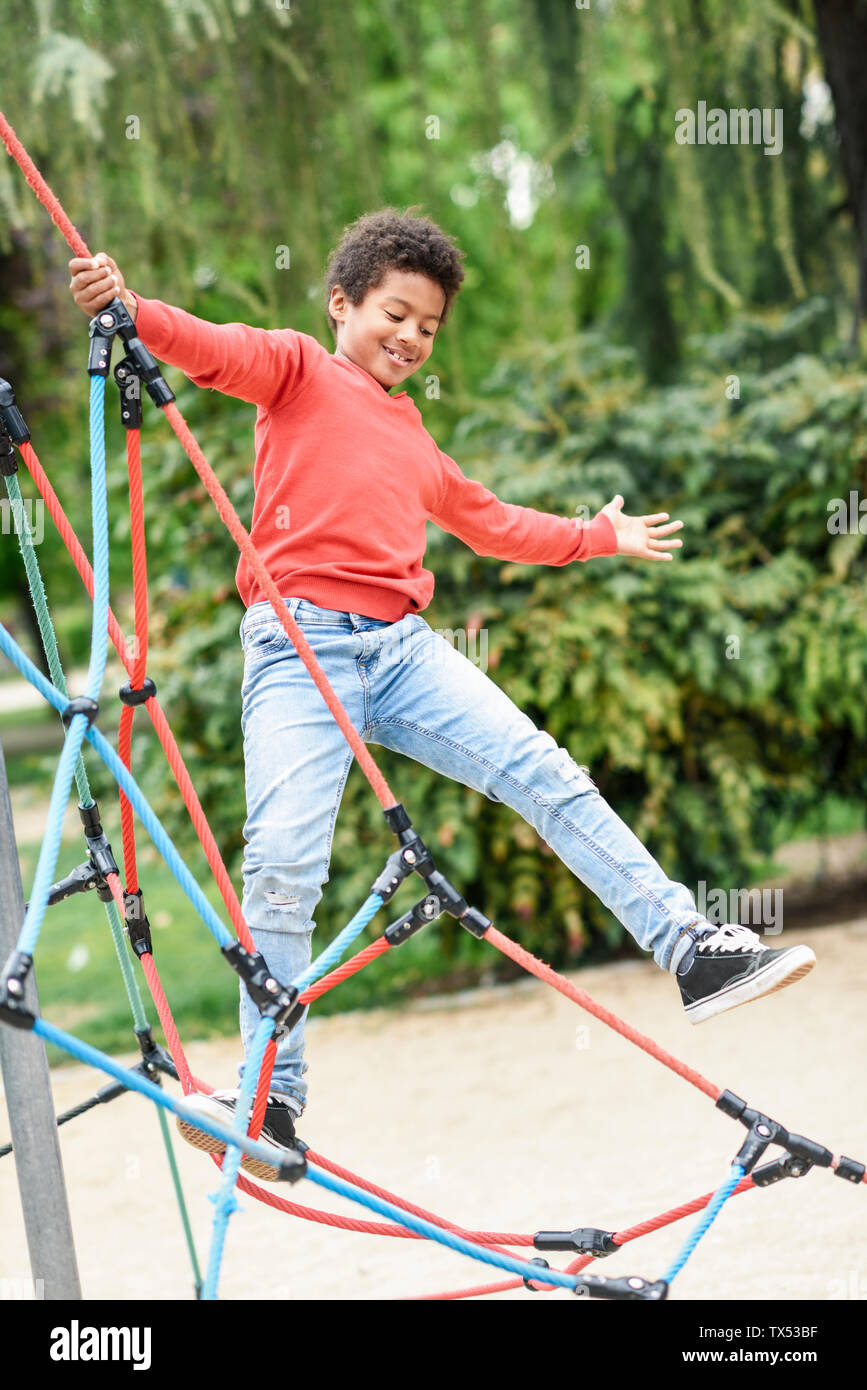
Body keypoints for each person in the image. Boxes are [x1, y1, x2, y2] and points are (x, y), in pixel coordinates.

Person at [68, 209, 815, 1181]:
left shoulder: (411, 433)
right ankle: (272, 1100)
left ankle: (691, 948)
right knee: (286, 865)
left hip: (403, 649)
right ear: (341, 304)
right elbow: (214, 350)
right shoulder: (297, 369)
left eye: (429, 326)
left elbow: (488, 520)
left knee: (543, 769)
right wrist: (131, 308)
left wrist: (595, 534)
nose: (411, 337)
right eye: (394, 312)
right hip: (299, 648)